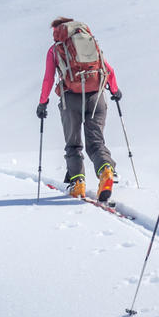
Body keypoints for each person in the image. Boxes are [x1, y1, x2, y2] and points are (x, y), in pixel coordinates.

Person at [36, 18, 122, 201]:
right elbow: (108, 69)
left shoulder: (55, 49)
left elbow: (48, 79)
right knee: (96, 142)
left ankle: (78, 184)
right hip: (96, 98)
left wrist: (43, 103)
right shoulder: (89, 42)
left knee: (73, 144)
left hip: (71, 100)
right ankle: (106, 170)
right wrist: (115, 90)